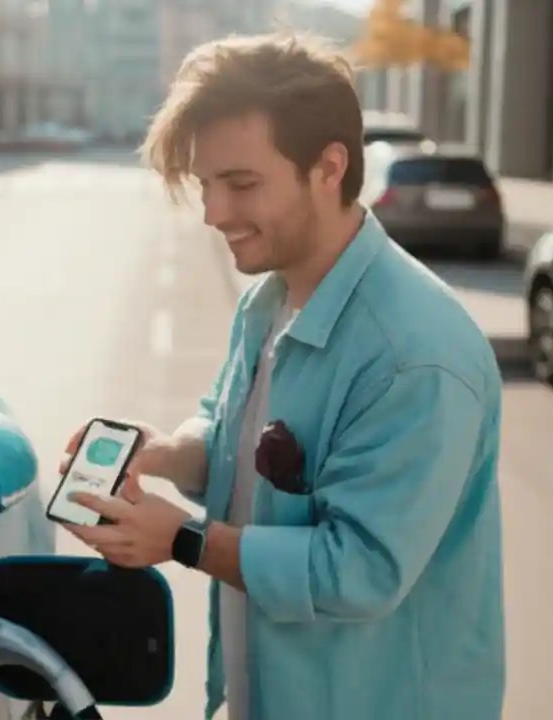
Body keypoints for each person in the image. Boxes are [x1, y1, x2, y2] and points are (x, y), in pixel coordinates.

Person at [59, 33, 505, 720]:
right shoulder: (268, 300)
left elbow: (359, 570)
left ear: (329, 167)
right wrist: (166, 452)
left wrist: (182, 539)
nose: (213, 214)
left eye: (241, 185)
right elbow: (233, 437)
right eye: (206, 185)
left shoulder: (415, 356)